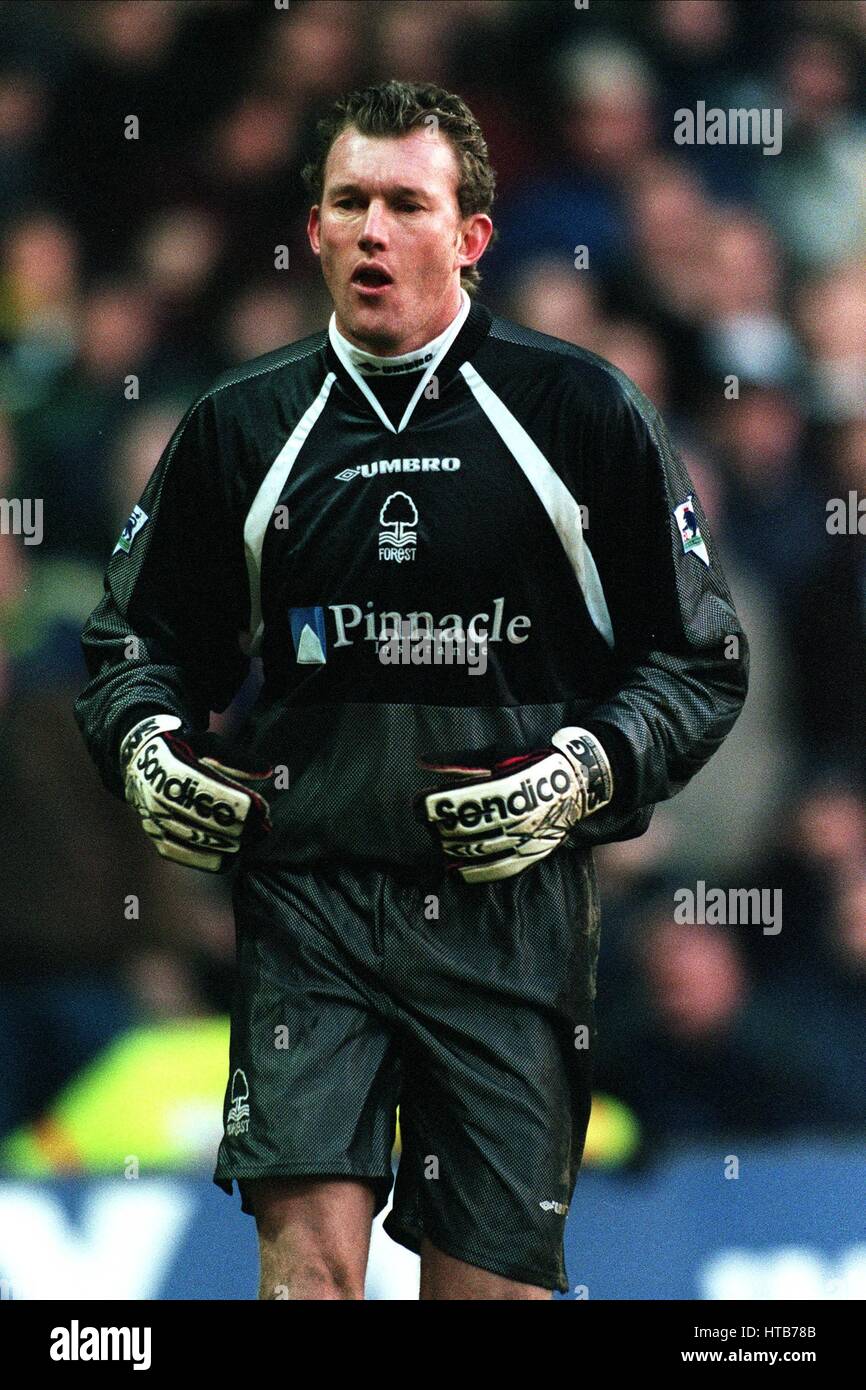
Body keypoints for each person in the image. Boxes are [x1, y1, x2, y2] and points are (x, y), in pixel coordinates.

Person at [74, 79, 748, 1301]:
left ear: (469, 238)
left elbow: (699, 659)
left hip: (508, 916)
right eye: (349, 202)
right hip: (310, 901)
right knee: (306, 1274)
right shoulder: (239, 426)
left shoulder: (579, 412)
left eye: (404, 203)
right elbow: (136, 644)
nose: (373, 228)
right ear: (314, 231)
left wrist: (584, 769)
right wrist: (145, 745)